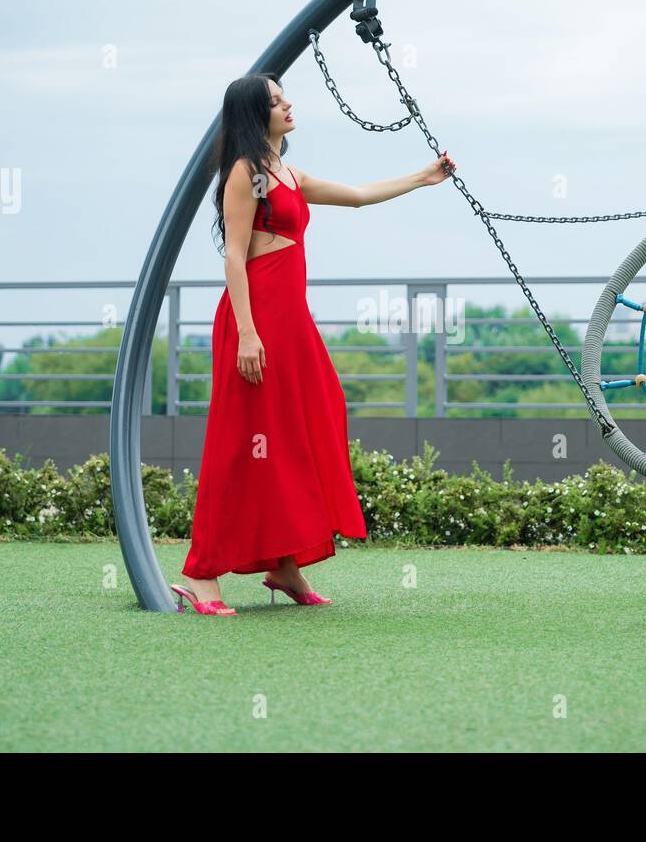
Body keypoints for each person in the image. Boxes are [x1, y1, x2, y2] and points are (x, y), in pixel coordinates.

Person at [170, 72, 456, 615]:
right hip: (254, 322)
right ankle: (199, 575)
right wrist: (248, 334)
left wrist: (423, 177)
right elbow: (234, 256)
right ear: (257, 114)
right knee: (243, 442)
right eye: (276, 101)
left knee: (302, 428)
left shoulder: (287, 174)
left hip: (291, 321)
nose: (287, 105)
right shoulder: (247, 173)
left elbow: (357, 197)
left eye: (285, 97)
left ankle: (284, 565)